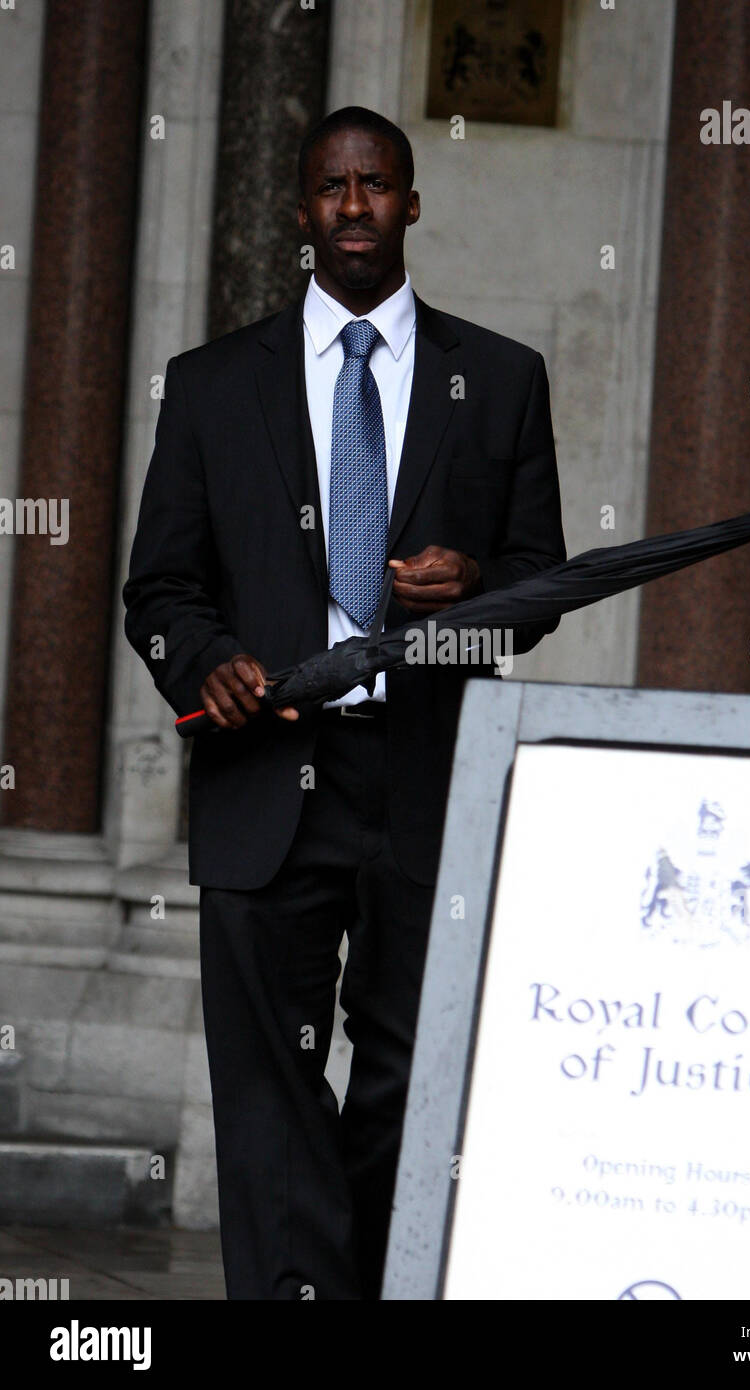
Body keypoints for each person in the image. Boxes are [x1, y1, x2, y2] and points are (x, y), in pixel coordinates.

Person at [123, 106, 566, 1300]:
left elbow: (542, 588)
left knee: (412, 1074)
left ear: (412, 204)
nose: (355, 205)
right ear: (301, 209)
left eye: (378, 184)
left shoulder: (504, 379)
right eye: (332, 185)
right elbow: (159, 585)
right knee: (269, 1083)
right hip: (267, 771)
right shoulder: (213, 388)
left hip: (425, 775)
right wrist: (201, 657)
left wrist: (477, 586)